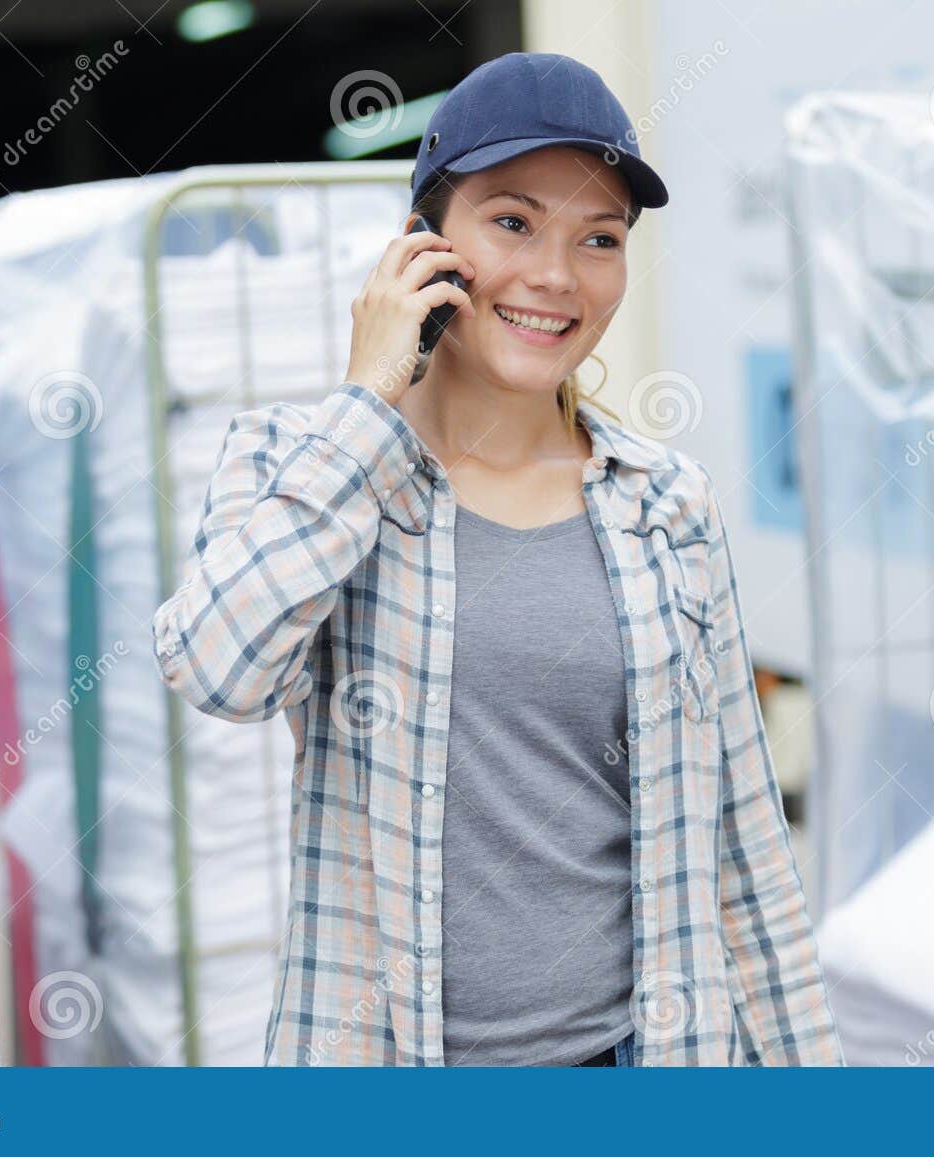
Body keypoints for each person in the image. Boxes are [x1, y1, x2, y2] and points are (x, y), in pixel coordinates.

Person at [151, 51, 842, 1068]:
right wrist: (366, 403)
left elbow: (744, 846)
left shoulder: (663, 503)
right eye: (512, 222)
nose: (556, 276)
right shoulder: (303, 462)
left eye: (597, 238)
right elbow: (217, 668)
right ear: (419, 249)